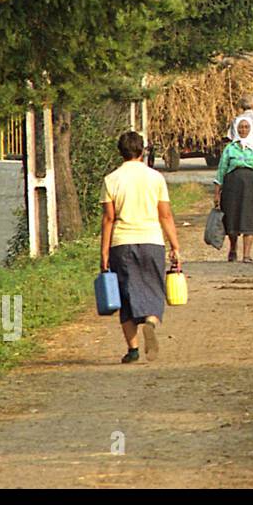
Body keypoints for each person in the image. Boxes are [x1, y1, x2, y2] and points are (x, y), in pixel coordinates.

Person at [100, 131, 182, 364]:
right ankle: (151, 322)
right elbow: (165, 215)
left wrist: (104, 252)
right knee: (154, 288)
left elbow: (108, 219)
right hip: (152, 241)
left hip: (122, 244)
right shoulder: (155, 178)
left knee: (126, 296)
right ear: (143, 150)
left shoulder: (111, 179)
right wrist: (175, 246)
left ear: (120, 152)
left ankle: (133, 349)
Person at [215, 116, 253, 263]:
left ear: (250, 129)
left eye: (246, 127)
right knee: (232, 217)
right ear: (236, 129)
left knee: (251, 218)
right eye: (240, 127)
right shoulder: (230, 149)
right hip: (232, 188)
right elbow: (221, 170)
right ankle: (233, 248)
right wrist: (217, 193)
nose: (243, 130)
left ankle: (247, 254)